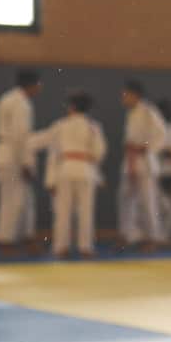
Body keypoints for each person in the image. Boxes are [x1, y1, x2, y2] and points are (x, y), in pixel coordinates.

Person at [29, 89, 105, 259]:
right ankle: (86, 247)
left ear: (71, 107)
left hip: (66, 168)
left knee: (62, 210)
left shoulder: (61, 125)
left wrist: (24, 140)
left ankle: (61, 247)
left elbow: (42, 142)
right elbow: (99, 152)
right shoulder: (94, 127)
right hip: (86, 169)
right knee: (86, 210)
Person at [0, 69, 42, 252]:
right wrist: (26, 163)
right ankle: (6, 241)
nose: (39, 88)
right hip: (13, 155)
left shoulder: (6, 98)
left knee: (23, 199)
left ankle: (26, 238)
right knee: (13, 200)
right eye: (38, 84)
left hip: (5, 152)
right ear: (32, 85)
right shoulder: (21, 104)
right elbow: (20, 136)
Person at [118, 80, 167, 250]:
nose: (123, 98)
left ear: (135, 95)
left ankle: (153, 237)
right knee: (126, 199)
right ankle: (128, 235)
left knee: (147, 201)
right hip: (130, 161)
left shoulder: (148, 111)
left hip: (144, 161)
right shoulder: (131, 114)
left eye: (125, 94)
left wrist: (146, 147)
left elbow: (161, 135)